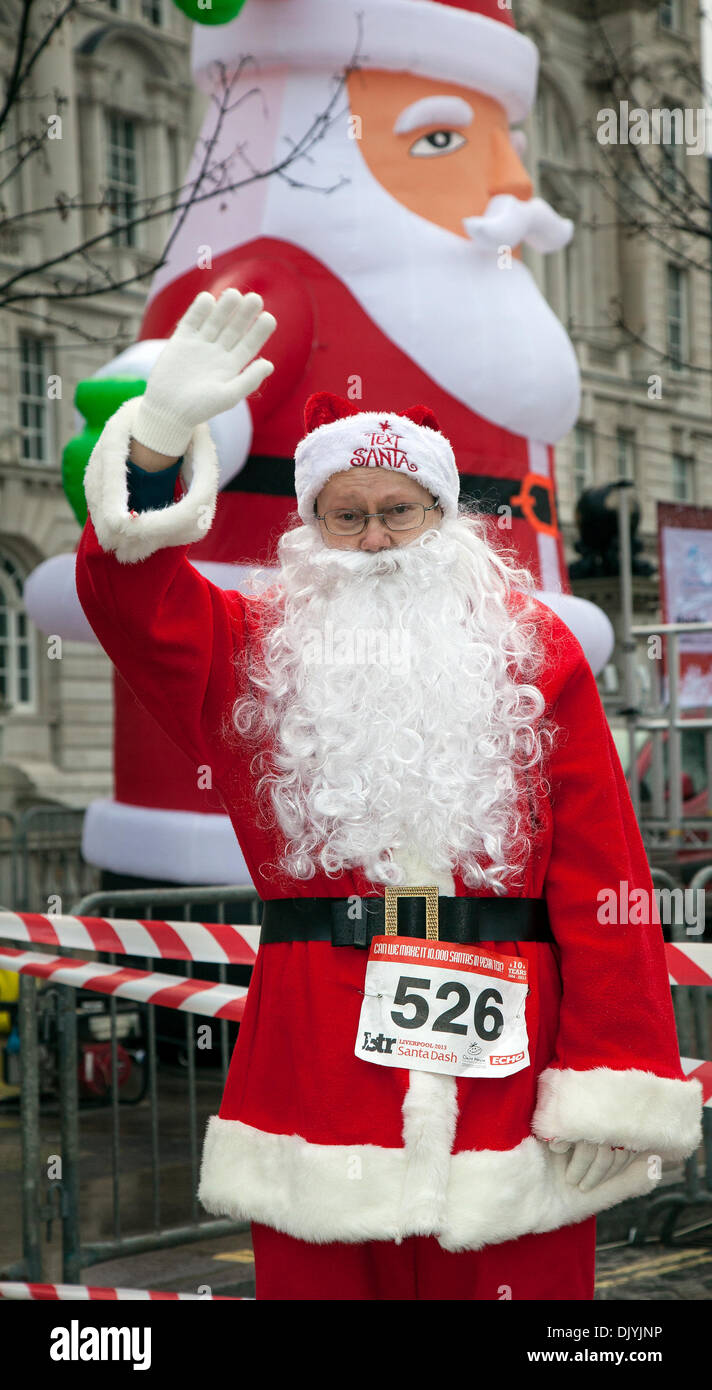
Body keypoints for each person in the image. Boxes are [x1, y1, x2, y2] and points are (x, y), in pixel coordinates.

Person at [76, 287, 703, 1302]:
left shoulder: (534, 655)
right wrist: (153, 441)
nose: (373, 538)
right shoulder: (258, 654)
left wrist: (614, 1078)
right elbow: (129, 596)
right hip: (316, 1052)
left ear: (442, 520)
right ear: (313, 526)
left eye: (398, 512)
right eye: (346, 514)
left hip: (510, 1058)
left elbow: (605, 881)